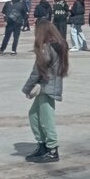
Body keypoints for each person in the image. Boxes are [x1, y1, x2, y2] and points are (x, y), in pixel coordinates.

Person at [21, 20, 69, 164]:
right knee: (34, 115)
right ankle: (42, 145)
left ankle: (52, 149)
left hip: (47, 87)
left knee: (46, 118)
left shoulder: (47, 48)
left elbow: (37, 71)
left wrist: (27, 88)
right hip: (48, 86)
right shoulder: (59, 44)